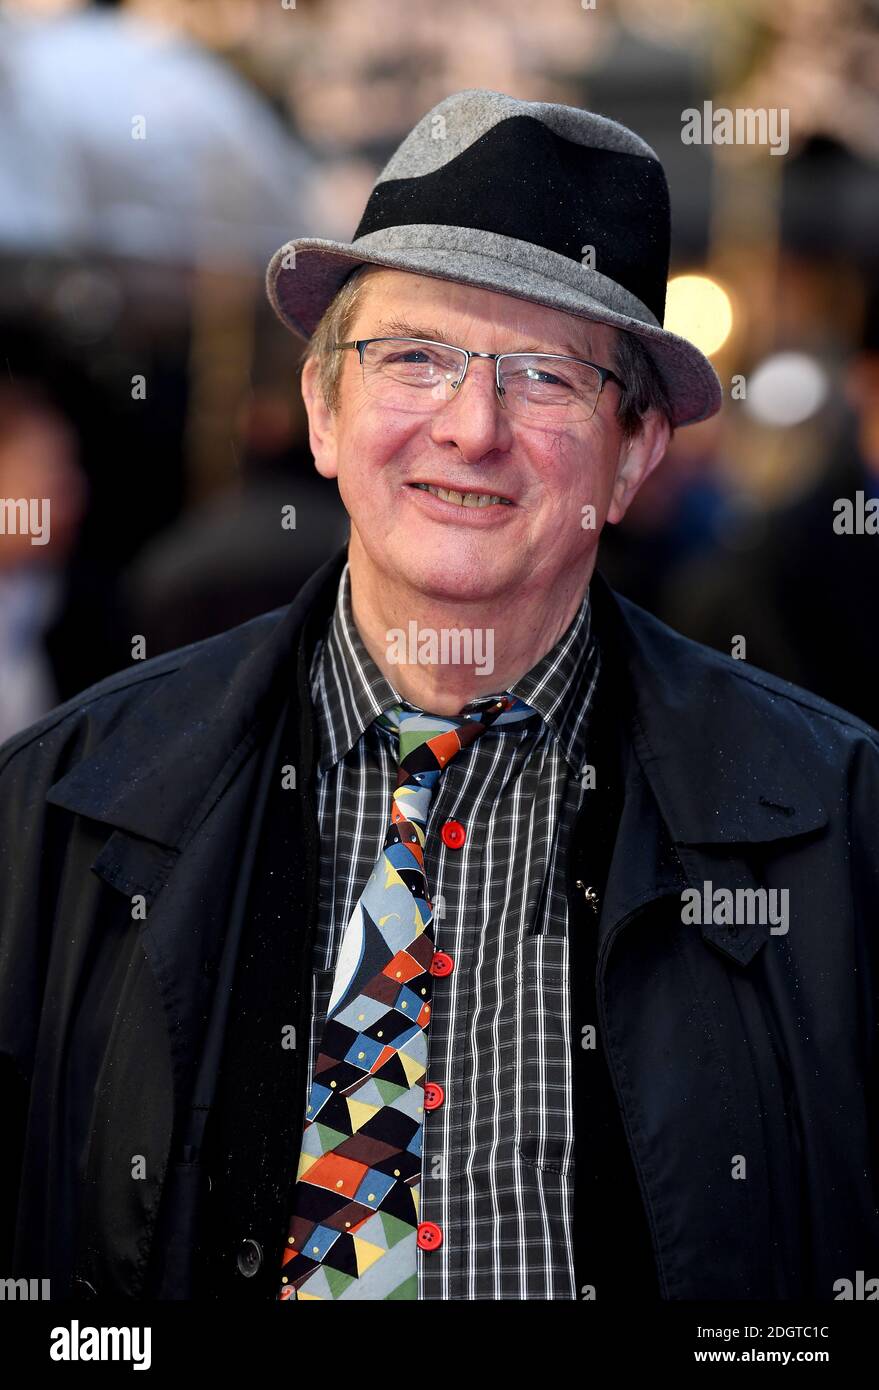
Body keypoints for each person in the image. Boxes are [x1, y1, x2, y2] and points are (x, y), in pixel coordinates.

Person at [1, 89, 878, 1304]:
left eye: (544, 376)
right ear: (323, 408)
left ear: (632, 456)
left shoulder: (837, 824)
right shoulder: (62, 804)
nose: (472, 427)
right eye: (413, 356)